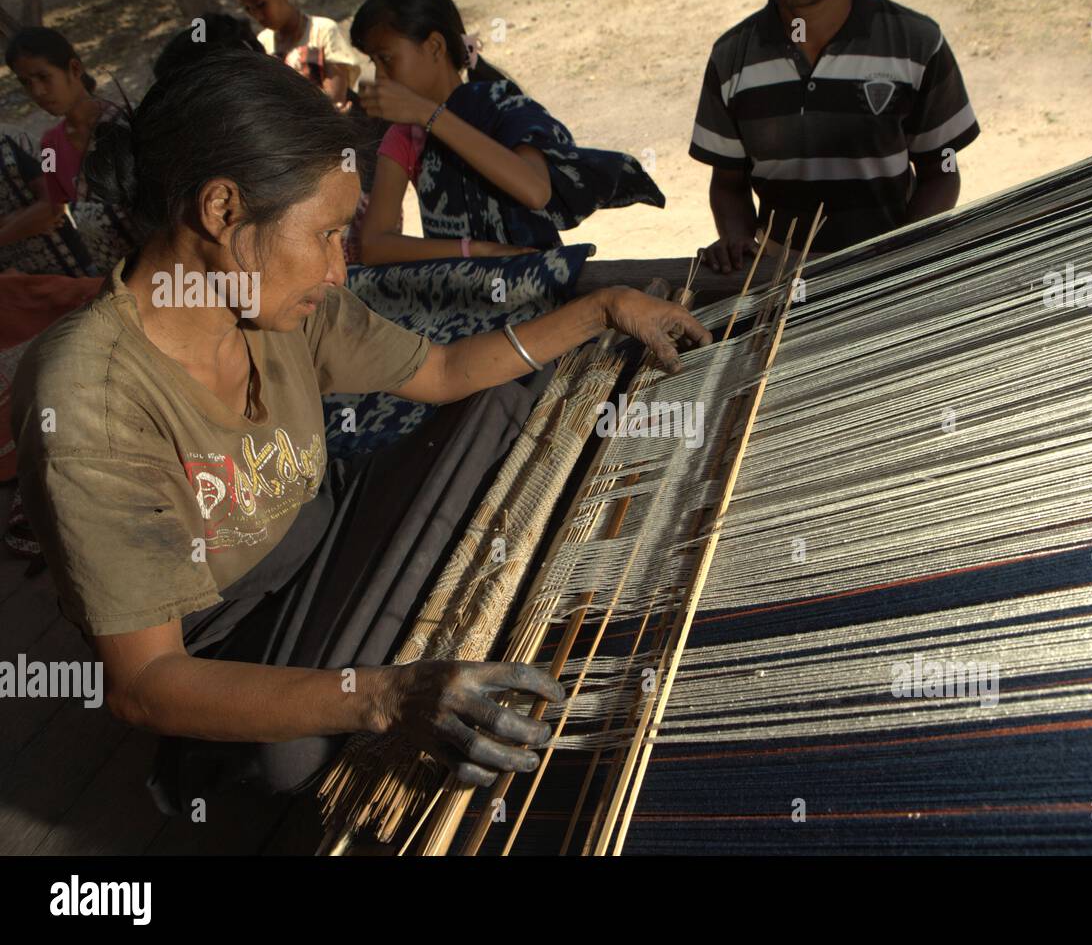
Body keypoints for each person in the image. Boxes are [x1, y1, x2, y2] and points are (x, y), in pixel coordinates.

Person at [12, 51, 710, 809]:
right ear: (222, 212)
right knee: (295, 755)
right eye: (325, 236)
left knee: (500, 404)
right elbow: (145, 683)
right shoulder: (89, 397)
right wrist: (382, 696)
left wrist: (598, 311)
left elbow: (441, 373)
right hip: (238, 631)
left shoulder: (270, 300)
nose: (340, 269)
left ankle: (394, 634)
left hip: (336, 529)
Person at [349, 0, 665, 265]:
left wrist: (431, 115)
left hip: (531, 282)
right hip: (461, 289)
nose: (379, 77)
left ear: (434, 46)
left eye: (386, 59)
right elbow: (374, 245)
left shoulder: (505, 109)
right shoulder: (406, 135)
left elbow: (535, 191)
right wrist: (475, 251)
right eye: (373, 63)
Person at [690, 0, 980, 270]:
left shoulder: (916, 44)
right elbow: (729, 184)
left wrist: (908, 247)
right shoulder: (730, 59)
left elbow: (941, 170)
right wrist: (736, 238)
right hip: (780, 284)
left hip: (889, 276)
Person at [3, 26, 135, 272]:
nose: (37, 92)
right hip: (118, 274)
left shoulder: (128, 120)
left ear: (74, 69)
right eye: (26, 83)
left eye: (43, 77)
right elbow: (54, 208)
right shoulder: (50, 146)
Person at [234, 0, 360, 109]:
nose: (258, 16)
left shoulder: (322, 30)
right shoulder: (262, 42)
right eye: (248, 9)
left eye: (261, 5)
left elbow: (334, 100)